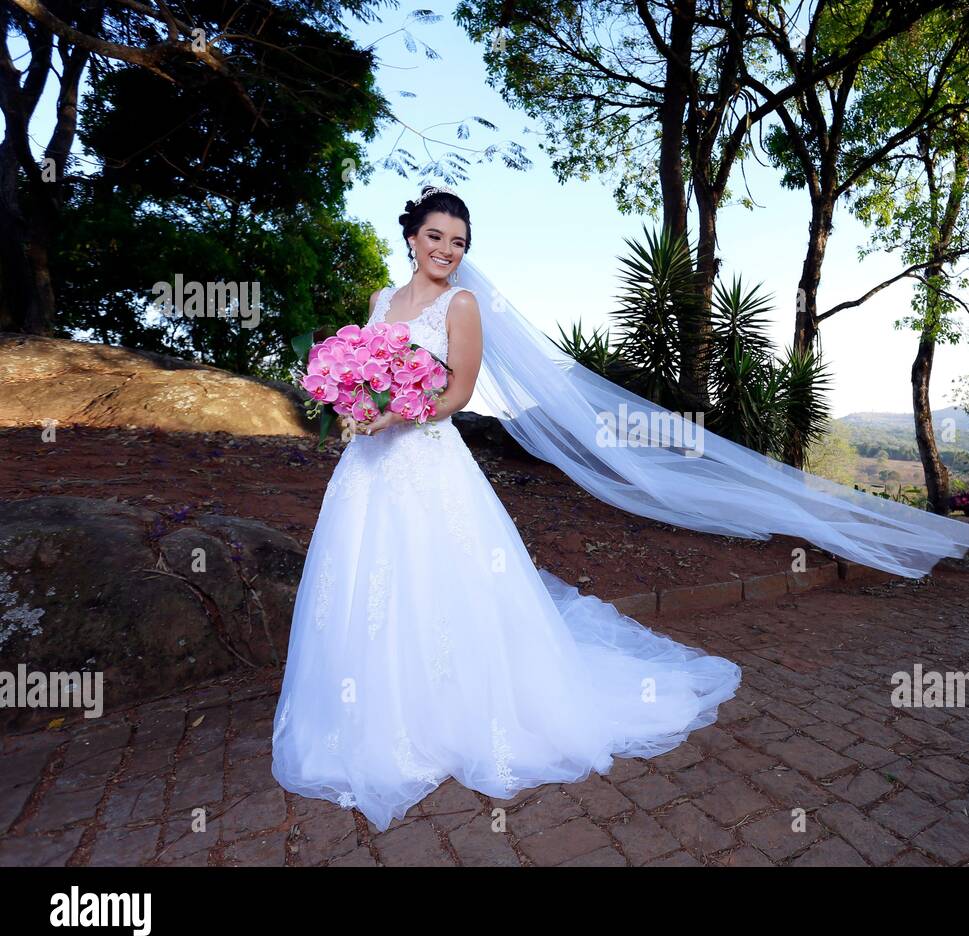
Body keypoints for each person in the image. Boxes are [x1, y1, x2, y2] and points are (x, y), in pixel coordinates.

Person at [270, 187, 744, 832]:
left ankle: (458, 709)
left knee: (444, 577)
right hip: (367, 466)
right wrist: (353, 404)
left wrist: (397, 411)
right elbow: (358, 374)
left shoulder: (461, 305)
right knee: (364, 576)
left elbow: (458, 392)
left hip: (426, 456)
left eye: (459, 242)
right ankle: (369, 712)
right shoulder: (380, 303)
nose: (447, 250)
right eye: (436, 236)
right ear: (412, 237)